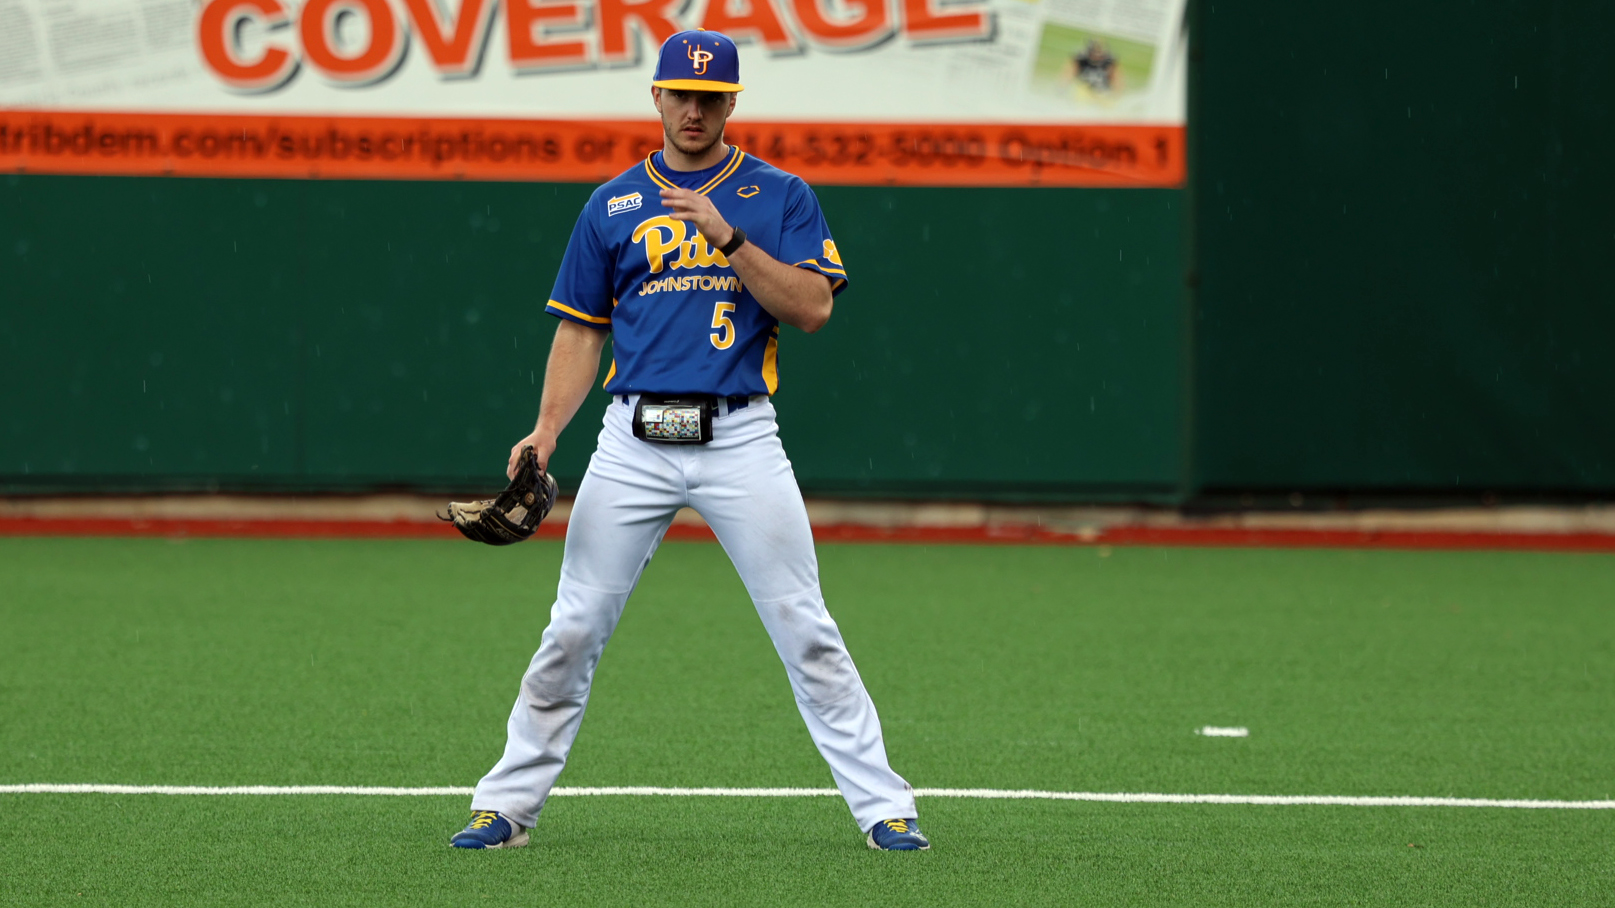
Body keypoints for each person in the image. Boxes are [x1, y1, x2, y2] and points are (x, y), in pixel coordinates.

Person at [448, 29, 928, 852]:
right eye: (682, 93)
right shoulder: (611, 203)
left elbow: (813, 308)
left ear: (732, 102)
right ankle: (506, 807)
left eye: (711, 96)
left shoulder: (778, 194)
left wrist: (731, 239)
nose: (695, 108)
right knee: (571, 629)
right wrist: (545, 430)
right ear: (657, 99)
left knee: (804, 627)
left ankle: (885, 807)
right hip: (631, 441)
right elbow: (579, 332)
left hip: (740, 437)